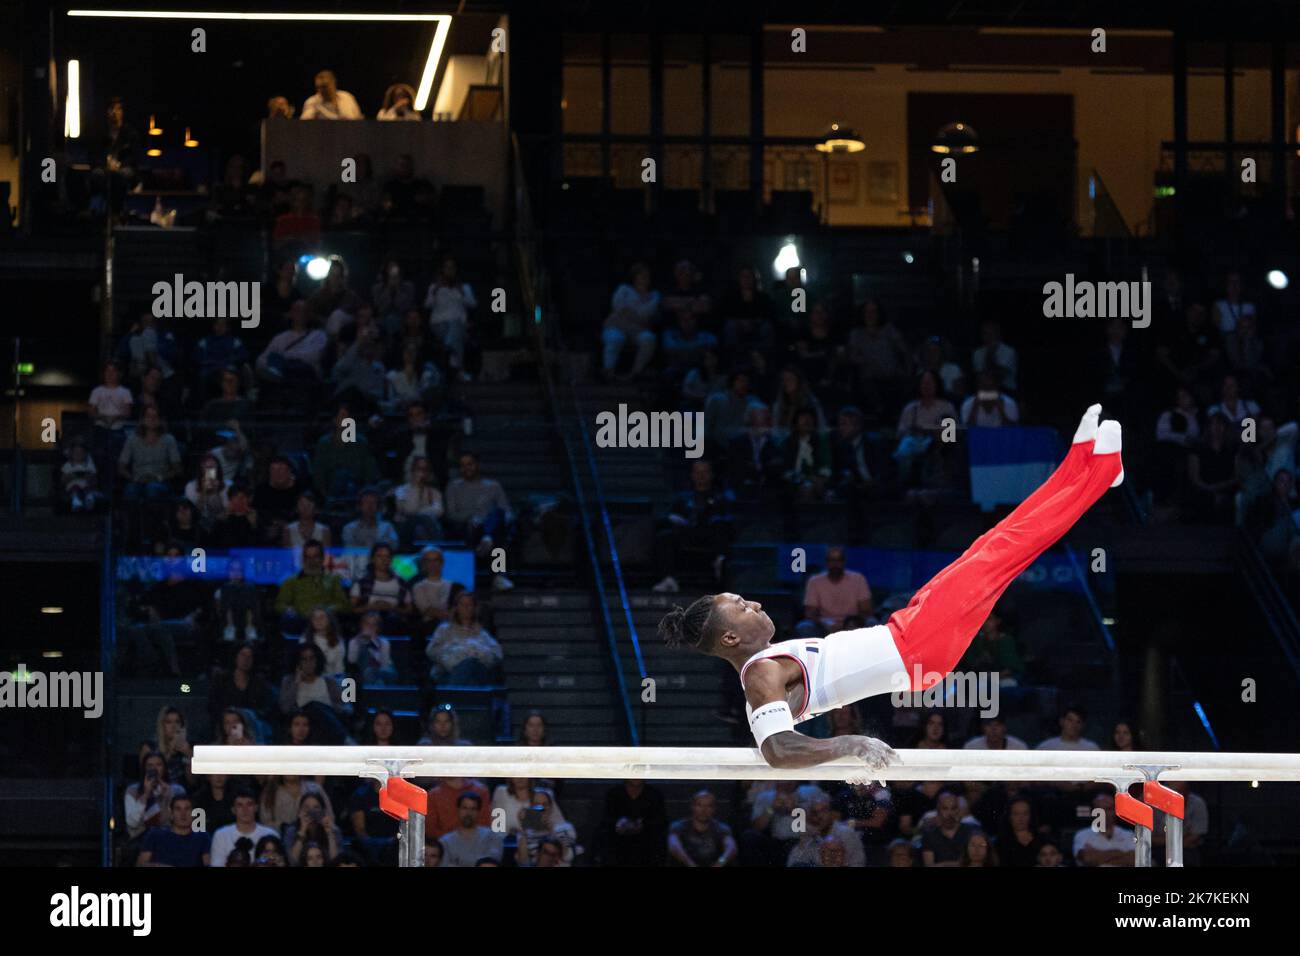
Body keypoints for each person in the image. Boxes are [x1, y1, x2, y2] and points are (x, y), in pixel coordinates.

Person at [658, 404, 1125, 770]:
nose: (754, 601)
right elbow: (778, 750)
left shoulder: (766, 664)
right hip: (917, 649)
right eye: (741, 605)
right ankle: (1099, 473)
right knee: (1003, 550)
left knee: (995, 545)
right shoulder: (759, 676)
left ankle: (1082, 466)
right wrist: (850, 743)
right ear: (731, 637)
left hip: (908, 634)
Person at [425, 591, 503, 684]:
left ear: (474, 608)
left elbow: (496, 653)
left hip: (477, 672)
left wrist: (479, 655)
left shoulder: (481, 633)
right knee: (466, 667)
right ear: (456, 607)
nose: (466, 608)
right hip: (448, 673)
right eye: (462, 604)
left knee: (472, 666)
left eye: (470, 604)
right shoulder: (444, 629)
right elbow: (432, 650)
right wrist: (453, 654)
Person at [601, 262, 660, 381]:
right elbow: (618, 306)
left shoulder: (654, 296)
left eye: (646, 276)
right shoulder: (623, 289)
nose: (644, 278)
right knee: (615, 338)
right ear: (635, 277)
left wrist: (630, 312)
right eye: (641, 275)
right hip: (616, 325)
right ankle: (608, 371)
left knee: (649, 339)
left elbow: (646, 314)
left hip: (639, 329)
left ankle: (635, 373)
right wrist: (636, 314)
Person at [799, 546, 873, 638]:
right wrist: (824, 623)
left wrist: (852, 623)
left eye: (839, 560)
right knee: (805, 627)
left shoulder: (858, 579)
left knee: (872, 623)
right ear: (826, 562)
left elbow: (866, 610)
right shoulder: (815, 581)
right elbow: (810, 612)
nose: (835, 564)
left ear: (844, 562)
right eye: (832, 560)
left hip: (853, 623)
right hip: (824, 624)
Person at [209, 789, 279, 867]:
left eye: (249, 804)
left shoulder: (270, 834)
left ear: (256, 807)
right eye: (240, 805)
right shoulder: (221, 835)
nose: (245, 809)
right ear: (233, 810)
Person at [136, 794, 210, 867]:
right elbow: (141, 864)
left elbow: (209, 863)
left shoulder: (202, 837)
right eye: (178, 809)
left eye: (187, 809)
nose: (183, 814)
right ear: (171, 814)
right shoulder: (155, 835)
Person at [667, 790, 737, 867]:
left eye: (709, 806)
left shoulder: (721, 828)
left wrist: (720, 863)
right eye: (699, 805)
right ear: (693, 807)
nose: (704, 810)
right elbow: (674, 846)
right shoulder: (679, 826)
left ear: (713, 809)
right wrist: (690, 863)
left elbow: (731, 848)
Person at [439, 793, 504, 867]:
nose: (468, 813)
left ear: (479, 812)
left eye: (473, 809)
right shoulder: (445, 841)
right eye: (465, 808)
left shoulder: (492, 837)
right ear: (458, 810)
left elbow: (490, 864)